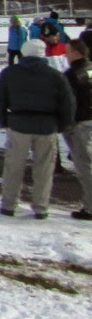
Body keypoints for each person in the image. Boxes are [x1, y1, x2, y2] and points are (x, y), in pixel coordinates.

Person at [0, 38, 76, 218]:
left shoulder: (10, 73)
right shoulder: (55, 75)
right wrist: (61, 125)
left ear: (23, 53)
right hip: (47, 126)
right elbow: (68, 103)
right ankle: (41, 206)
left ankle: (9, 204)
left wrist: (4, 120)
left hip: (19, 124)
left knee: (13, 166)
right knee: (44, 169)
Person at [64, 36, 92, 220]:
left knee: (85, 166)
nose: (65, 55)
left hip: (80, 123)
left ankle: (90, 207)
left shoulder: (72, 74)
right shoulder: (89, 68)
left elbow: (68, 101)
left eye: (67, 52)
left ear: (76, 53)